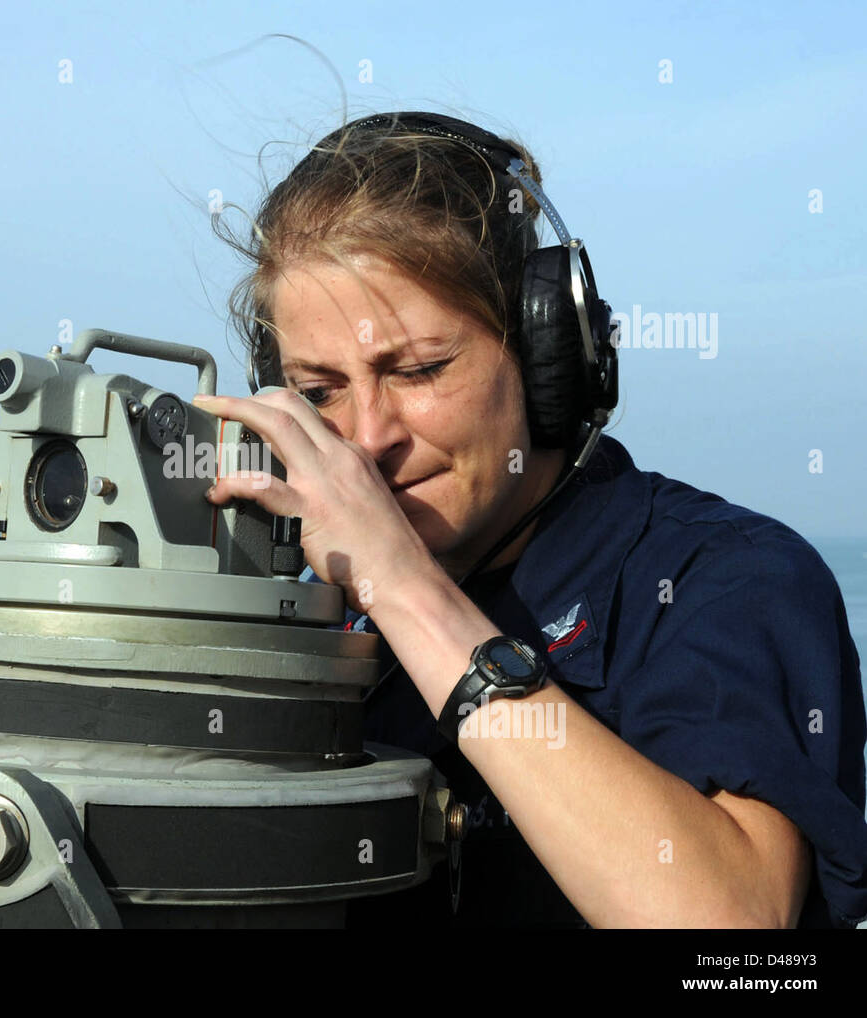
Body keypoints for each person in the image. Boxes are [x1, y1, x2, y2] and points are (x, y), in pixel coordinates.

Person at [193, 110, 867, 928]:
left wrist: (406, 593)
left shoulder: (724, 580)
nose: (369, 438)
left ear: (549, 354)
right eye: (320, 391)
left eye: (418, 369)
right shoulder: (313, 620)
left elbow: (729, 929)